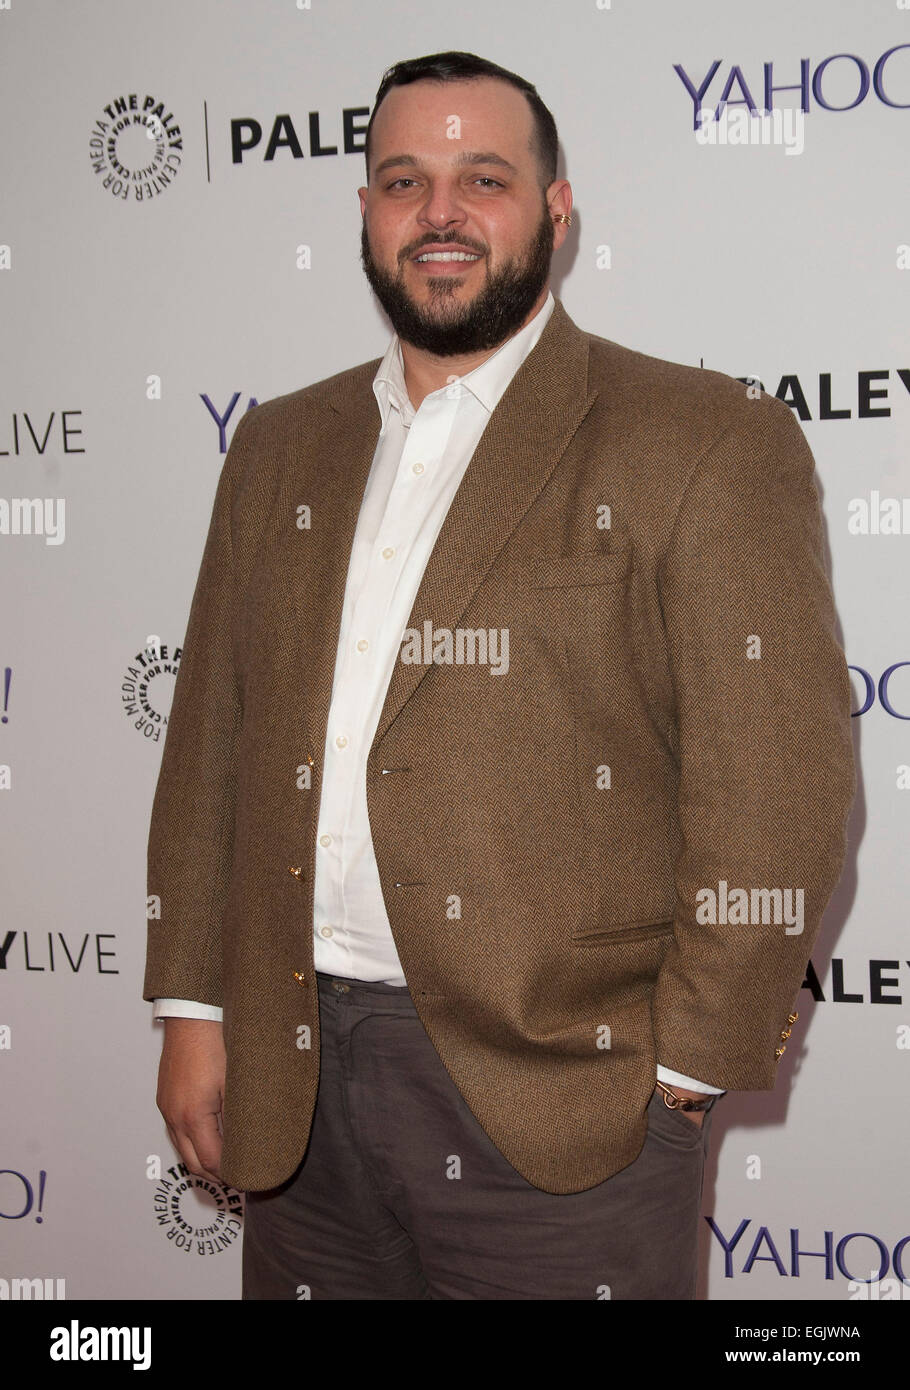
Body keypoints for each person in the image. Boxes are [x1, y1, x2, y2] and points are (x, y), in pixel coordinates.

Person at [144, 50, 855, 1300]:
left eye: (484, 178)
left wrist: (682, 1072)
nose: (441, 213)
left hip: (568, 1102)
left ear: (556, 210)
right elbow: (212, 739)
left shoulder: (700, 438)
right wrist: (195, 1007)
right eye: (403, 180)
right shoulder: (277, 447)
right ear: (363, 212)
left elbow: (780, 782)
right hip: (291, 1073)